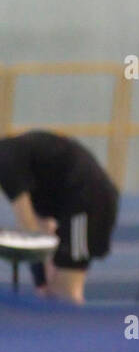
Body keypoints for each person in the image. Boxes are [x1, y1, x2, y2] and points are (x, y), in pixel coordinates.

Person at [0, 129, 120, 303]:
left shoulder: (6, 162)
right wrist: (45, 273)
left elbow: (29, 232)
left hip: (87, 205)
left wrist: (39, 280)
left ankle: (75, 325)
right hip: (77, 205)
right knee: (55, 290)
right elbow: (41, 224)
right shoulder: (17, 158)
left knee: (66, 292)